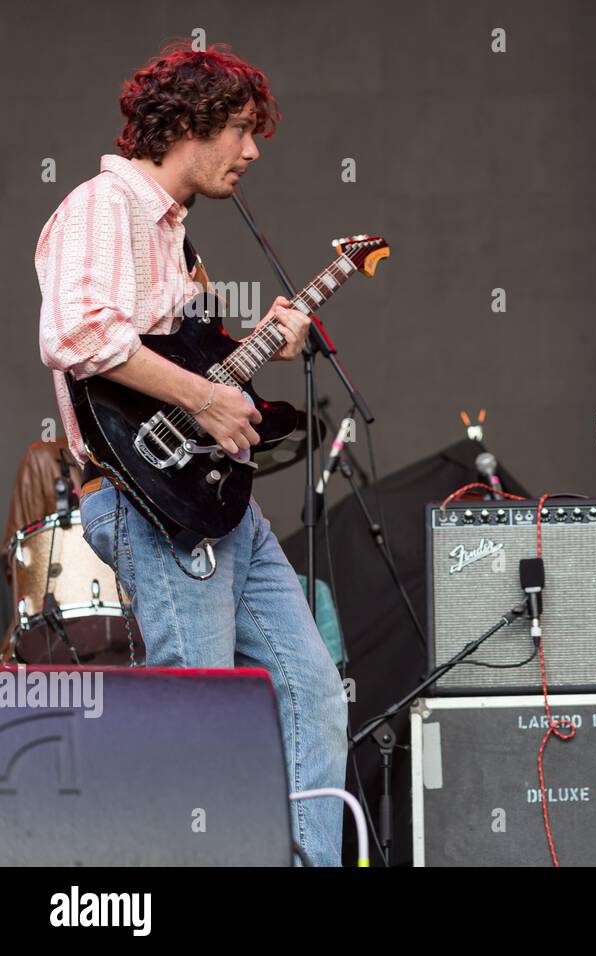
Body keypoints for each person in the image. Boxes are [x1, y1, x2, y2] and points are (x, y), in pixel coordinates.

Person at [35, 41, 347, 865]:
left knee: (311, 691)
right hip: (150, 506)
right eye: (241, 130)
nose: (252, 151)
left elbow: (178, 363)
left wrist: (250, 353)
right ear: (186, 124)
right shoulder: (106, 207)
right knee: (200, 711)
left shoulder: (174, 236)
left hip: (211, 503)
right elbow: (76, 335)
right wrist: (207, 397)